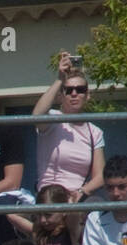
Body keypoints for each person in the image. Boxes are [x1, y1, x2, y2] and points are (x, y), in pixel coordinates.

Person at [32, 53, 105, 199]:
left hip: (77, 197)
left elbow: (100, 175)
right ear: (61, 94)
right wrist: (60, 79)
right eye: (68, 90)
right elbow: (36, 116)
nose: (74, 94)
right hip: (49, 196)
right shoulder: (52, 118)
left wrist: (81, 192)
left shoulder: (94, 132)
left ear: (87, 95)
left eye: (80, 90)